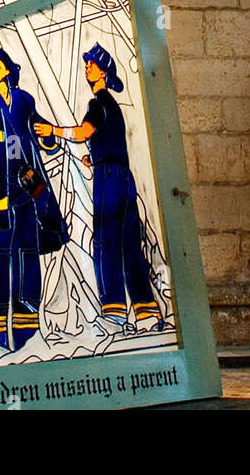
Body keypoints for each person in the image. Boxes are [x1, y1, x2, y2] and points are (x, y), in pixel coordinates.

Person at [35, 43, 163, 332]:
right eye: (88, 64)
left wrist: (53, 131)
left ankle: (114, 311)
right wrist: (92, 159)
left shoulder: (98, 104)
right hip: (121, 176)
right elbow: (107, 142)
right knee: (130, 243)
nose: (87, 68)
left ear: (103, 72)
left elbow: (82, 133)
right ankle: (147, 311)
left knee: (106, 241)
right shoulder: (112, 107)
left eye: (92, 64)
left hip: (109, 180)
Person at [0, 42, 68, 351]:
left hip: (29, 187)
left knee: (27, 256)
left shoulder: (25, 101)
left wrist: (50, 137)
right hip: (2, 191)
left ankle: (28, 333)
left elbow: (41, 135)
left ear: (6, 64)